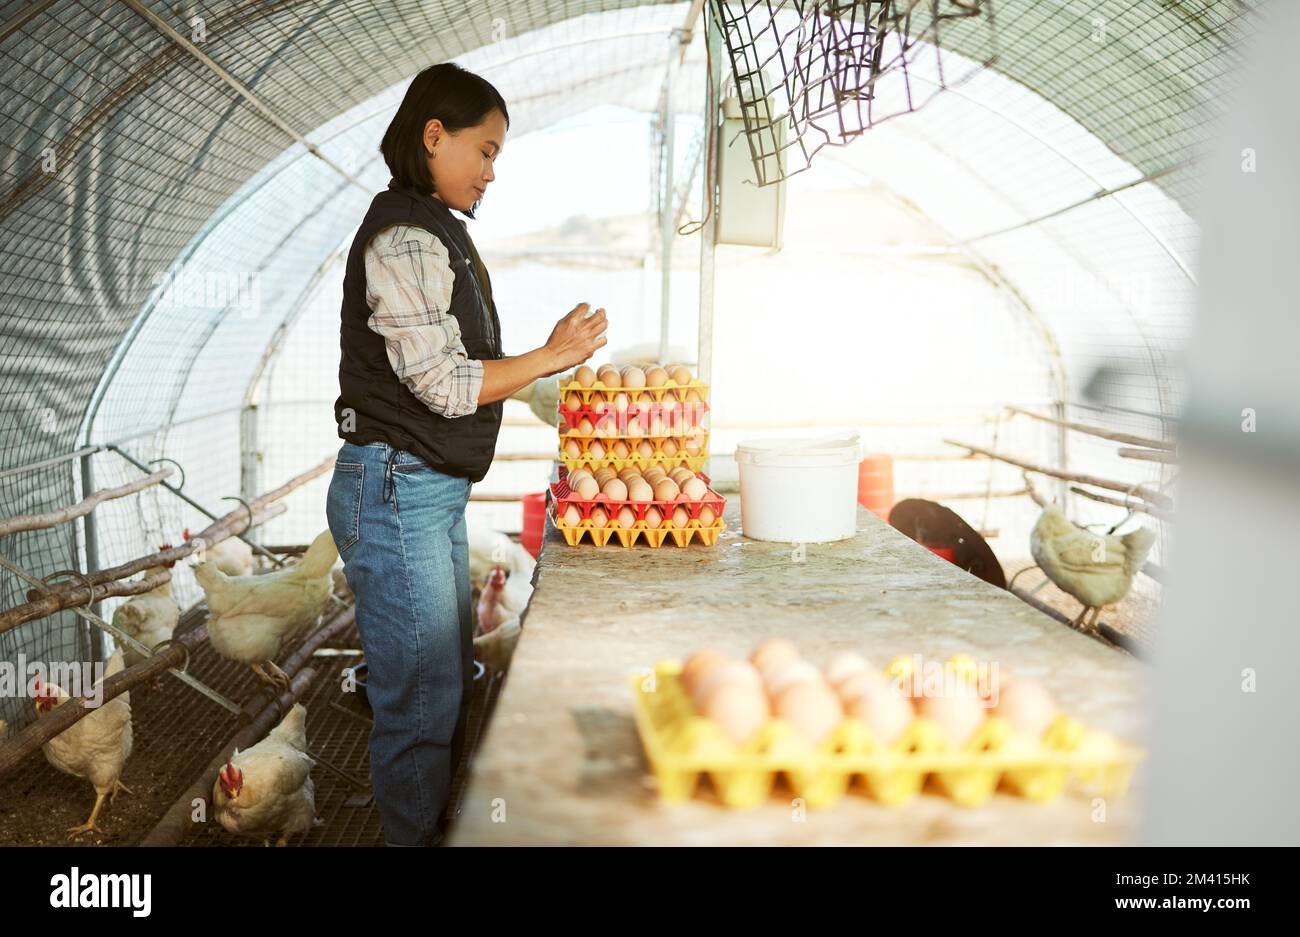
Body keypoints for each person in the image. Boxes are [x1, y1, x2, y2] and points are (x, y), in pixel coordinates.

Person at [325, 62, 607, 846]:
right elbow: (448, 386)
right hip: (394, 488)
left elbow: (458, 368)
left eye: (496, 157)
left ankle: (434, 825)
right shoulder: (406, 238)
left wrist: (543, 377)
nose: (489, 173)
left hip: (423, 488)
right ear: (433, 135)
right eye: (483, 151)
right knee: (419, 700)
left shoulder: (434, 232)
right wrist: (547, 358)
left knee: (443, 678)